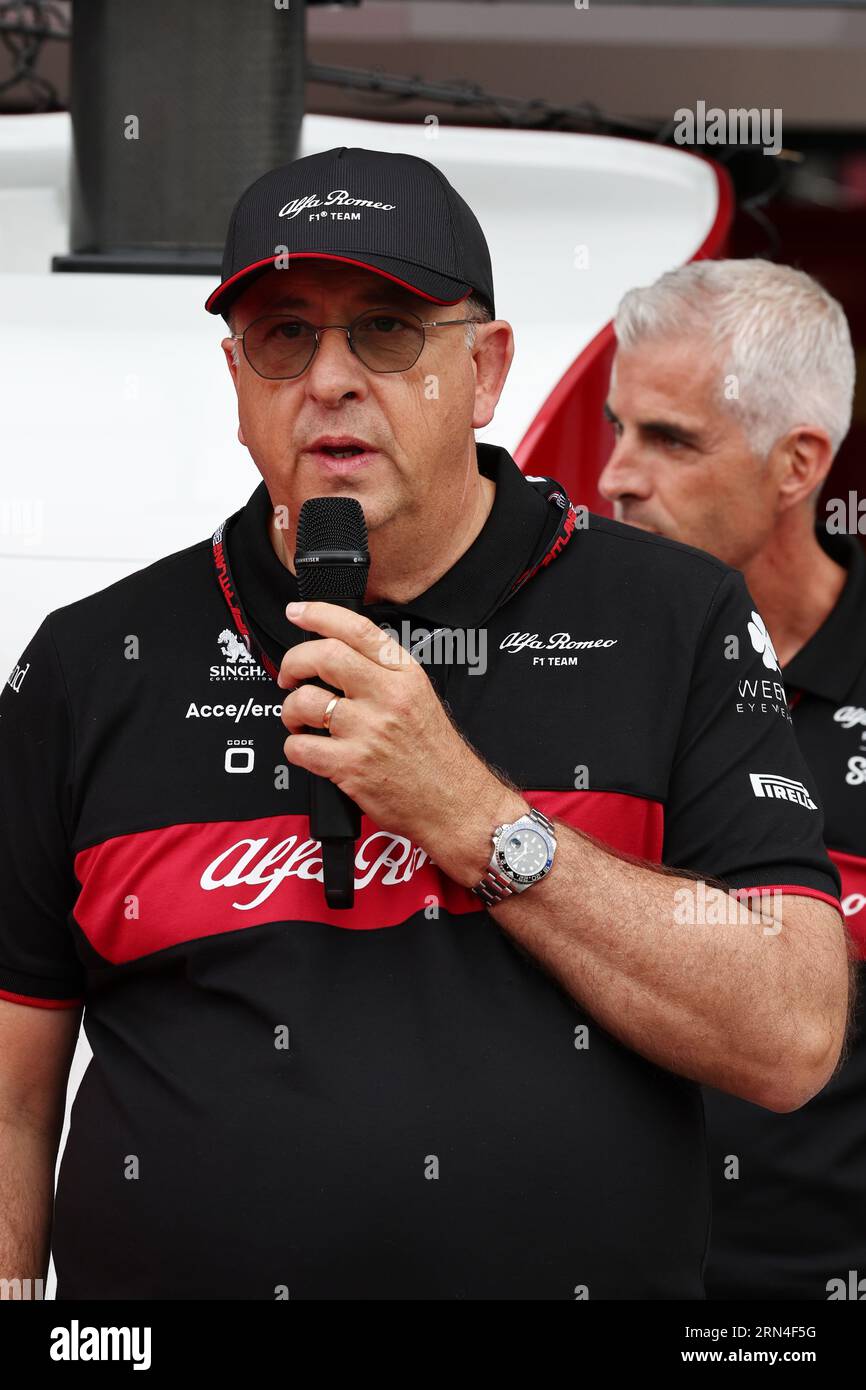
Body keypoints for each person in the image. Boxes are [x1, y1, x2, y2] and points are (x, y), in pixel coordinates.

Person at [0, 151, 850, 1301]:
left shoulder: (671, 618)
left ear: (486, 367)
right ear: (236, 377)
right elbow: (10, 1097)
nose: (330, 379)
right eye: (282, 336)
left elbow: (790, 1034)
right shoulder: (92, 656)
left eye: (387, 331)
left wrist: (474, 817)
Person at [598, 256, 865, 1300]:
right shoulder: (559, 659)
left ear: (796, 463)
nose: (617, 474)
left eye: (667, 439)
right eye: (617, 428)